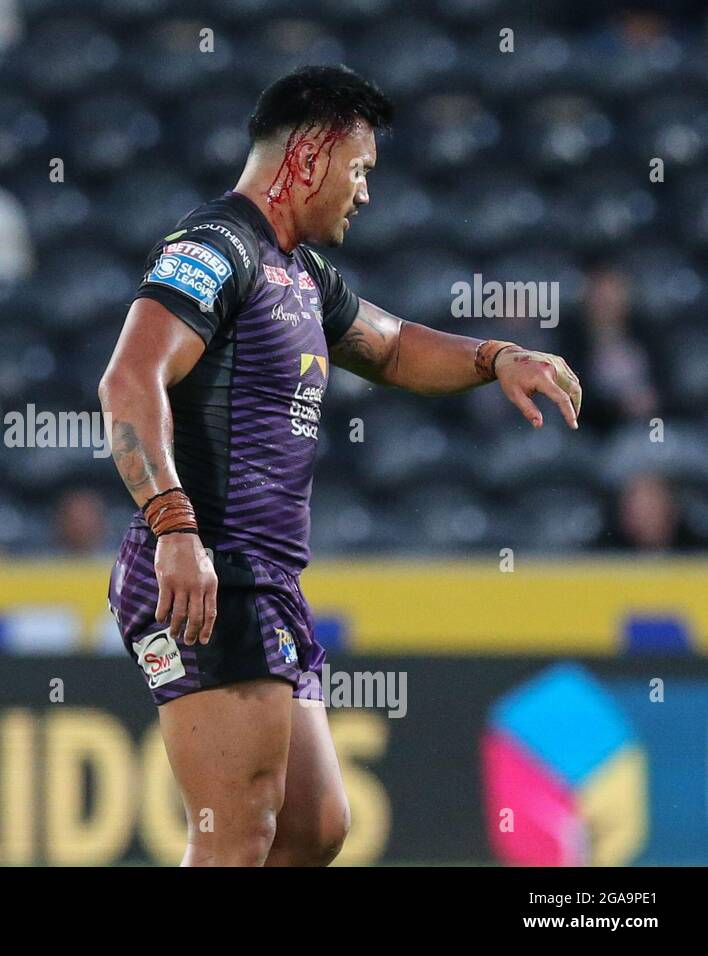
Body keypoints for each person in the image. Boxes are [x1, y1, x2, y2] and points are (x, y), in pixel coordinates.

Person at [99, 66, 583, 866]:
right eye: (359, 170)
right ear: (311, 157)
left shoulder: (302, 272)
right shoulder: (215, 249)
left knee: (313, 826)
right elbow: (128, 378)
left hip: (263, 582)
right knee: (235, 831)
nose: (364, 193)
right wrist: (175, 527)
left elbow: (390, 346)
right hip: (205, 571)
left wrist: (496, 354)